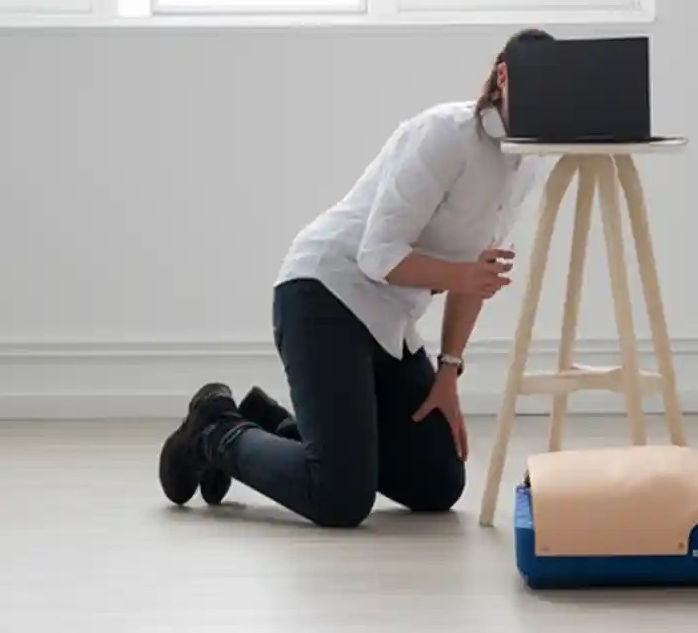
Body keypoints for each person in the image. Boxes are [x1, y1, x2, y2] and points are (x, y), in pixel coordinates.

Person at [157, 29, 555, 527]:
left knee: (438, 483)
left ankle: (268, 421)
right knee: (340, 496)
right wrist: (463, 275)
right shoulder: (446, 134)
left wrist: (448, 371)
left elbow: (479, 274)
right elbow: (378, 255)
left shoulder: (528, 164)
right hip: (325, 293)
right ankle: (214, 432)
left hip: (390, 321)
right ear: (503, 78)